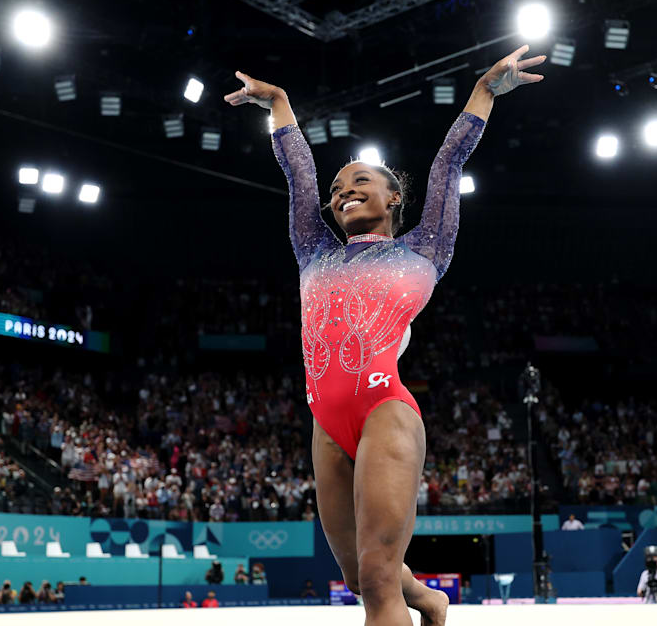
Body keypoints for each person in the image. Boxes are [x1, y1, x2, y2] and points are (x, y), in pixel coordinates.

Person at [225, 43, 545, 626]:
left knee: (376, 581)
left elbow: (449, 164)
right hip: (325, 421)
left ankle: (405, 600)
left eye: (360, 180)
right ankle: (428, 598)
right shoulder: (313, 251)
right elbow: (300, 177)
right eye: (338, 188)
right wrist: (279, 103)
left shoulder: (425, 248)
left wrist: (484, 91)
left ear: (394, 196)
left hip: (384, 411)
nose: (342, 191)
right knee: (357, 575)